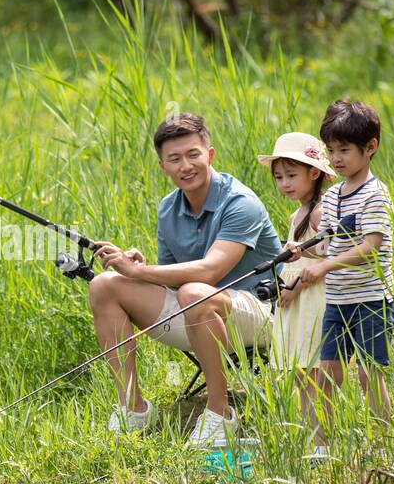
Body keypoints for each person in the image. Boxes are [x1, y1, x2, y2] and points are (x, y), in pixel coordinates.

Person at [86, 112, 284, 447]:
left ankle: (220, 413)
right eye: (174, 159)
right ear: (162, 166)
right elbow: (174, 283)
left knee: (196, 292)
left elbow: (209, 272)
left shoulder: (240, 202)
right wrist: (140, 268)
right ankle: (133, 408)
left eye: (193, 154)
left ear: (210, 154)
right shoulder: (168, 208)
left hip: (263, 313)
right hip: (199, 310)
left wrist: (140, 273)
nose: (185, 166)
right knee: (104, 284)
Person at [288, 99, 394, 457]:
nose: (336, 158)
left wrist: (323, 267)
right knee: (327, 373)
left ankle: (382, 445)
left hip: (371, 300)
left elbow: (370, 247)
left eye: (344, 150)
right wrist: (301, 252)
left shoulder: (374, 194)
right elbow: (327, 244)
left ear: (370, 148)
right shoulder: (332, 196)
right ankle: (321, 446)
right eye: (331, 150)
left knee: (368, 374)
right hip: (337, 301)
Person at [256, 132, 336, 425]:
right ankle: (310, 431)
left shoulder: (319, 212)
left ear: (314, 172)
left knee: (315, 372)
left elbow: (329, 259)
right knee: (300, 372)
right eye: (278, 177)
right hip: (295, 299)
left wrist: (294, 285)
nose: (284, 183)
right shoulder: (297, 215)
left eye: (291, 175)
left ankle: (323, 436)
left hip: (312, 299)